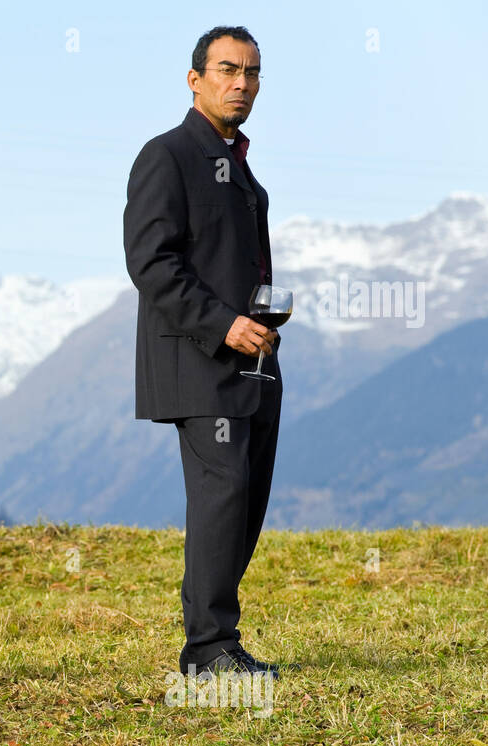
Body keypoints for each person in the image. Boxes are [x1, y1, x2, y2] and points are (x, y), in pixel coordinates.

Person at [123, 25, 282, 678]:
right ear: (195, 80)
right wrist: (224, 326)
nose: (240, 83)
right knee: (222, 497)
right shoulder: (166, 156)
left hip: (255, 364)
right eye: (227, 70)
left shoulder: (236, 162)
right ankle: (208, 649)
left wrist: (266, 319)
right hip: (201, 361)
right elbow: (151, 264)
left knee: (245, 501)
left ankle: (217, 638)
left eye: (251, 73)